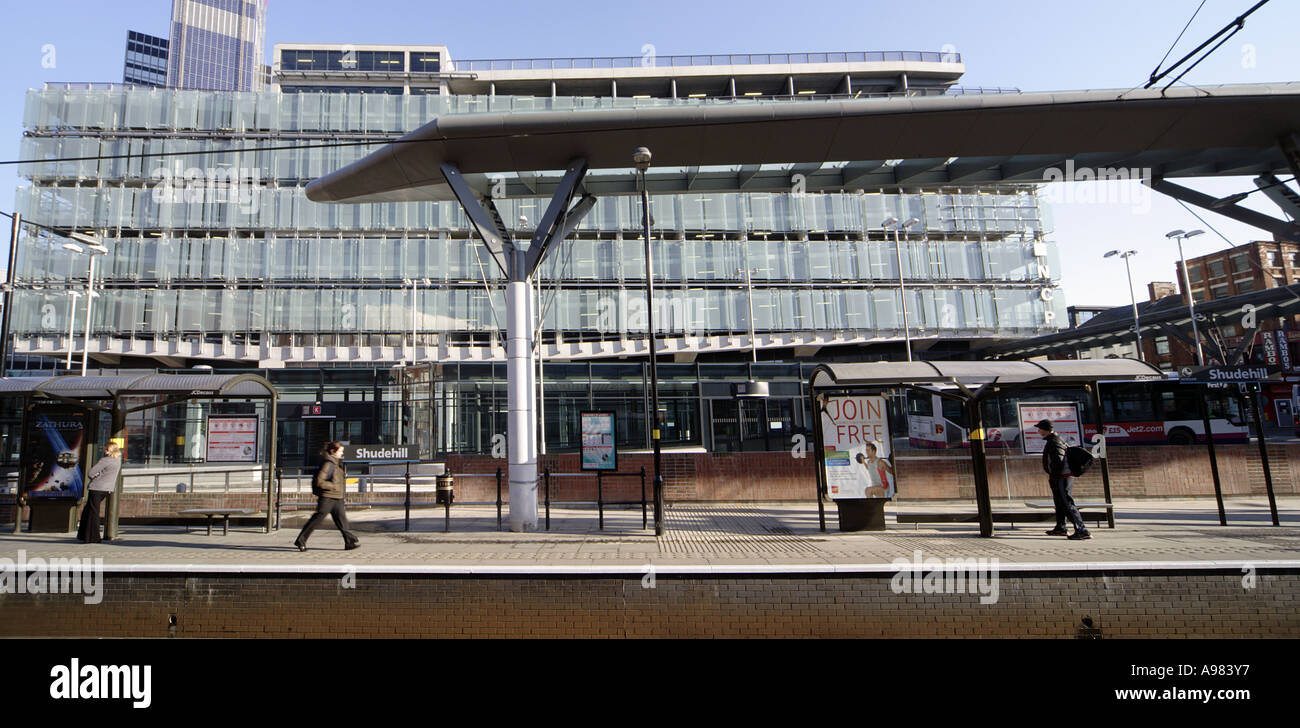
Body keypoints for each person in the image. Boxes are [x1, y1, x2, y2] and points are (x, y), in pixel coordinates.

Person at [294, 441, 360, 551]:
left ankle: (349, 542)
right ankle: (301, 540)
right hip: (328, 497)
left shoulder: (336, 462)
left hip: (337, 497)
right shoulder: (328, 463)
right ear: (333, 451)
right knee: (317, 519)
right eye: (340, 451)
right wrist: (333, 486)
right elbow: (320, 481)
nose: (342, 454)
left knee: (342, 521)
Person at [1037, 419, 1090, 540]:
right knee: (1060, 503)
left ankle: (1082, 530)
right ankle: (1061, 527)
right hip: (1060, 476)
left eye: (1040, 428)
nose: (1038, 431)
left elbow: (1058, 461)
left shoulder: (1055, 442)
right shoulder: (1053, 440)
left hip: (1062, 477)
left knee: (1067, 503)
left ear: (1045, 430)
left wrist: (1054, 477)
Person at [77, 442, 121, 544]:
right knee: (89, 510)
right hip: (107, 489)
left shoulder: (105, 460)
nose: (104, 451)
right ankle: (85, 535)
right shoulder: (117, 461)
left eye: (106, 449)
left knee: (92, 511)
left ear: (109, 450)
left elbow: (91, 473)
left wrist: (97, 475)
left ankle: (92, 536)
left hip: (97, 487)